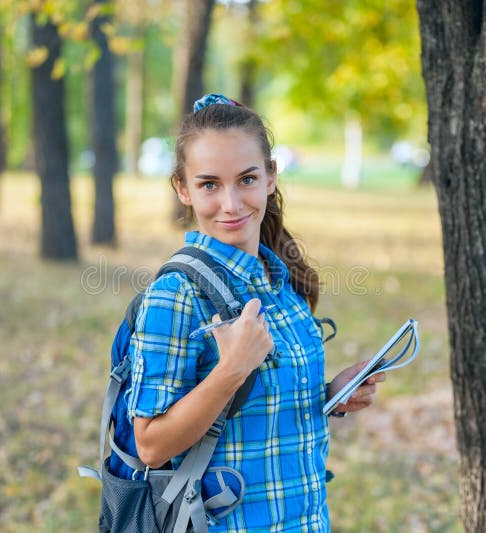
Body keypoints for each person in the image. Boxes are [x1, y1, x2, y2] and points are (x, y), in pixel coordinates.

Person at [127, 93, 386, 531]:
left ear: (270, 176)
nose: (231, 203)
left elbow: (254, 416)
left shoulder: (280, 280)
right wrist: (231, 370)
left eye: (246, 179)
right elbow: (151, 444)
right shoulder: (176, 294)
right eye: (209, 184)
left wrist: (329, 396)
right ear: (183, 189)